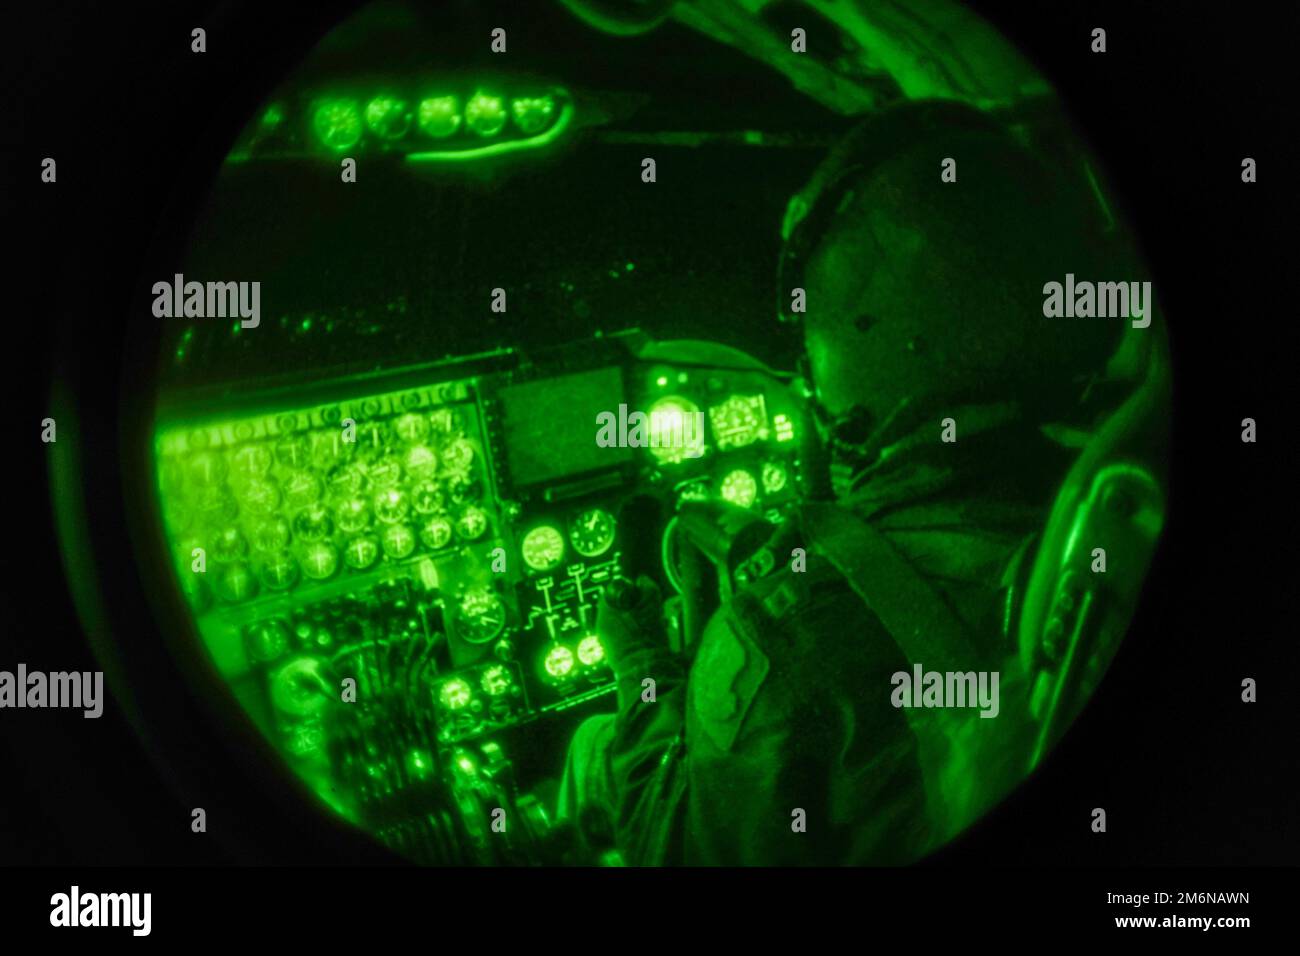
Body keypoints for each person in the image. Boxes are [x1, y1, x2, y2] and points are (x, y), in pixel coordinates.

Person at [559, 99, 1157, 865]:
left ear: (866, 324)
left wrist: (642, 657)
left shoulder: (781, 639)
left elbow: (670, 847)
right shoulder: (1111, 501)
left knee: (587, 746)